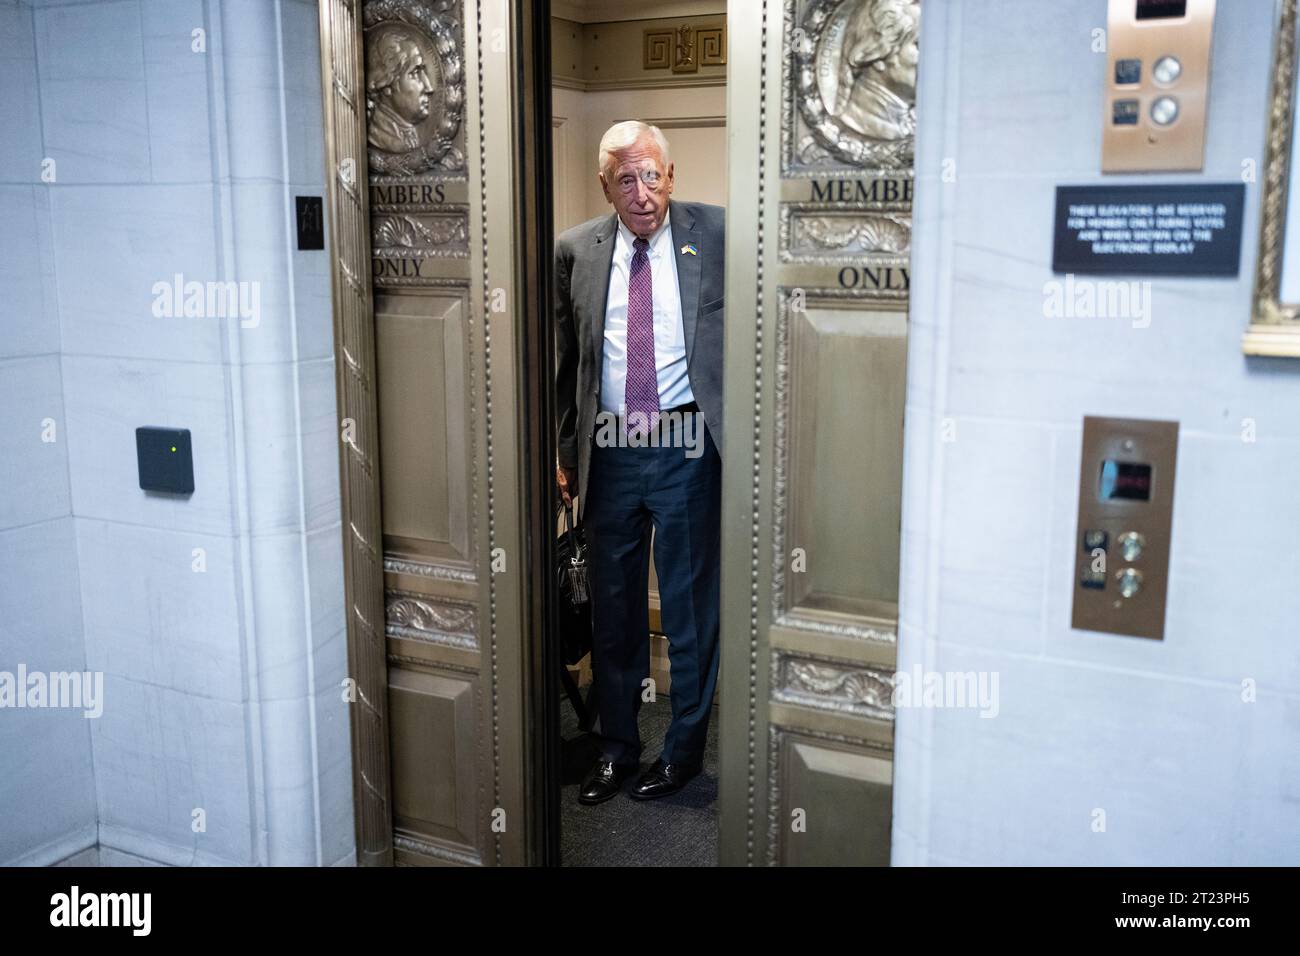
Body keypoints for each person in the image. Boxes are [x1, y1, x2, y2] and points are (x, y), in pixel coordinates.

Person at [553, 121, 725, 804]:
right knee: (615, 614)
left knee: (688, 612)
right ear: (607, 186)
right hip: (611, 448)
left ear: (671, 176)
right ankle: (616, 750)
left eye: (651, 174)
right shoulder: (575, 250)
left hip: (687, 447)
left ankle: (682, 754)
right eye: (626, 178)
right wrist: (567, 454)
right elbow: (567, 363)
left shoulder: (717, 233)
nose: (641, 190)